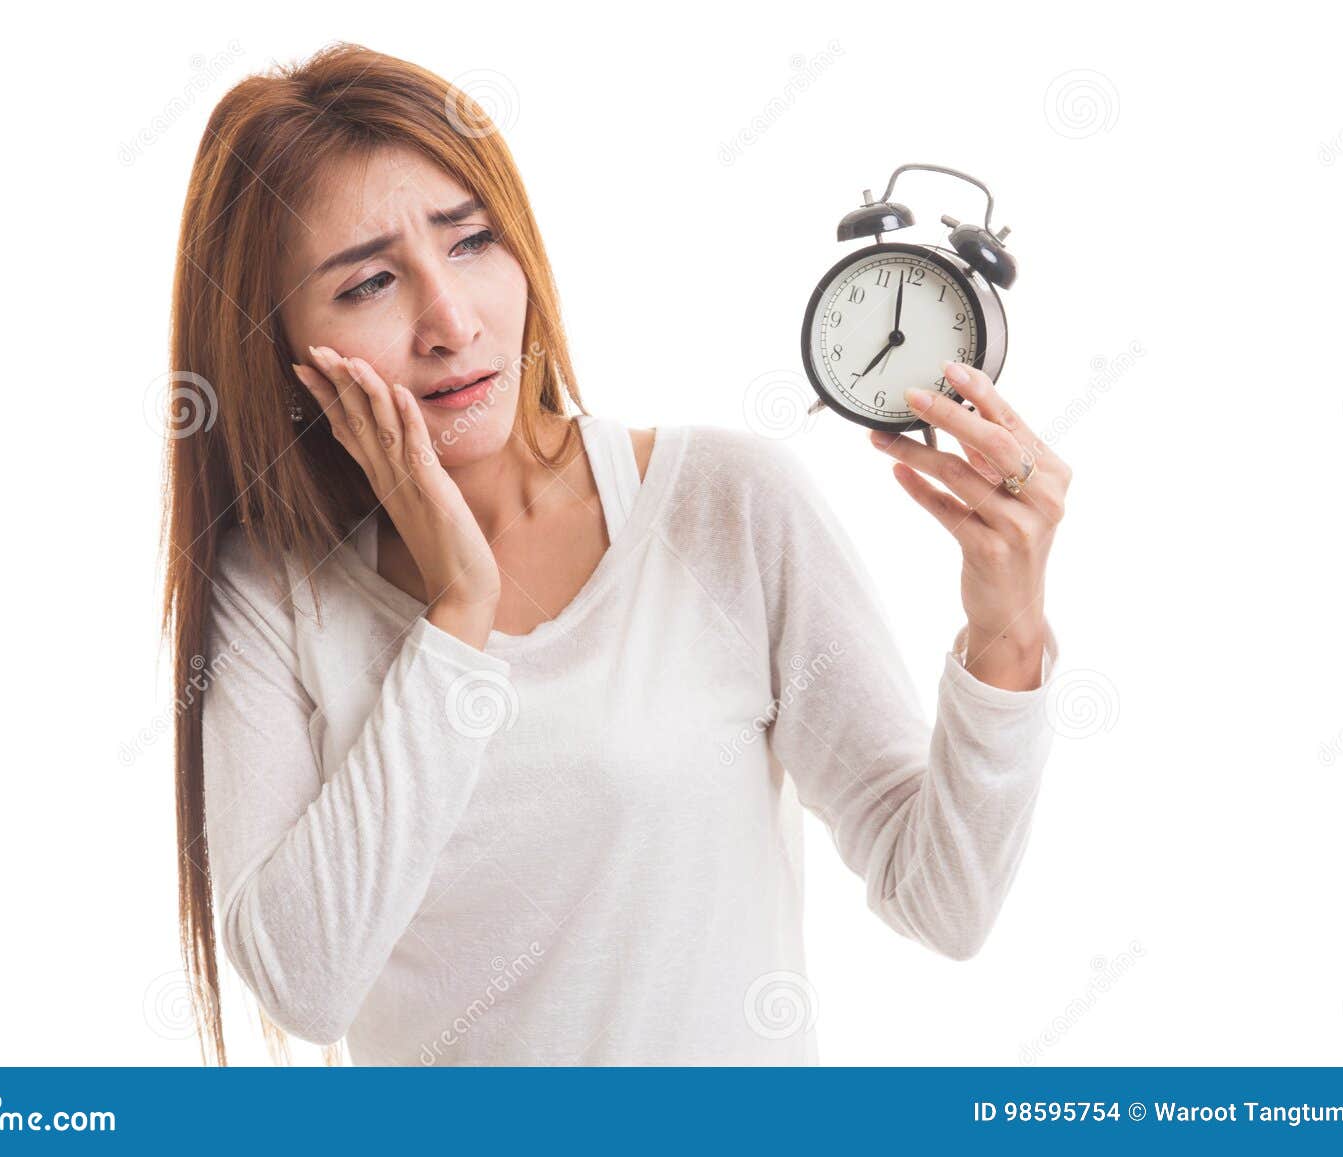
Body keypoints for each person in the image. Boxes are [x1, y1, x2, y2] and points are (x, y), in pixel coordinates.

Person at [161, 42, 1071, 1067]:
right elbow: (304, 984)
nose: (451, 321)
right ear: (279, 345)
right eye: (370, 282)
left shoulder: (727, 504)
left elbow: (944, 901)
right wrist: (459, 608)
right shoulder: (271, 589)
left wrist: (1007, 630)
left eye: (471, 242)